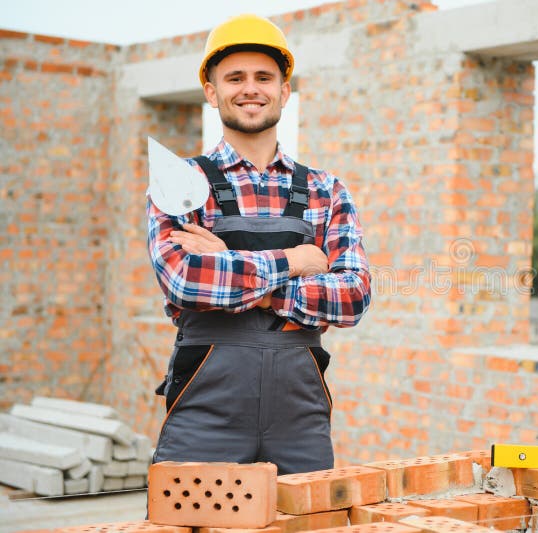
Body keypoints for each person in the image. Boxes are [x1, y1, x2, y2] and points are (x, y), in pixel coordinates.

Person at [146, 13, 371, 474]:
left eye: (264, 77)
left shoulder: (327, 190)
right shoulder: (178, 183)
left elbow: (352, 298)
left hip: (300, 421)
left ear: (284, 90)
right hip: (206, 416)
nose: (251, 88)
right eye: (235, 78)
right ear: (212, 91)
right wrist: (298, 260)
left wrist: (232, 268)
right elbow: (185, 281)